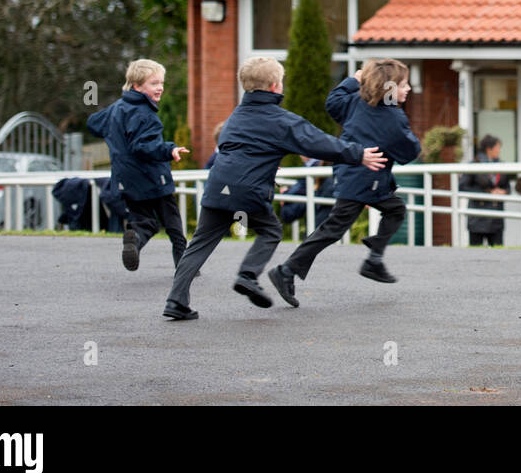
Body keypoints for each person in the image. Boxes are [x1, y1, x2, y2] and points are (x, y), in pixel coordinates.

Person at [163, 57, 384, 320]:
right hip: (249, 191)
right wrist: (359, 154)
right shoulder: (280, 120)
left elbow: (244, 149)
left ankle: (176, 301)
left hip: (217, 186)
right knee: (270, 230)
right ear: (274, 86)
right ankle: (247, 274)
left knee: (199, 243)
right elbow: (318, 143)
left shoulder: (237, 115)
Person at [267, 59, 422, 306]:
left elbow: (333, 101)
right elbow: (410, 151)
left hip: (356, 175)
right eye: (404, 85)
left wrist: (353, 79)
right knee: (334, 228)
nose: (408, 89)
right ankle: (287, 270)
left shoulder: (354, 103)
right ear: (389, 88)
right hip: (363, 180)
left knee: (394, 210)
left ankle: (374, 258)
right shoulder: (393, 118)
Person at [86, 59, 190, 271]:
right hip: (153, 177)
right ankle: (186, 266)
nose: (160, 87)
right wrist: (169, 149)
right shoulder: (145, 114)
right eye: (154, 83)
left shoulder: (118, 109)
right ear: (137, 86)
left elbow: (94, 123)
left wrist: (114, 126)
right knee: (173, 225)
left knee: (145, 222)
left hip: (126, 178)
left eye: (161, 82)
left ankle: (135, 238)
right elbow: (142, 146)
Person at [461, 135, 509, 246]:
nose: (499, 150)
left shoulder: (502, 165)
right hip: (478, 217)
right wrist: (487, 193)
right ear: (489, 148)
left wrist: (503, 192)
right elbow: (463, 187)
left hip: (496, 217)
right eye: (497, 147)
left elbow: (507, 187)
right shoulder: (474, 165)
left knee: (498, 252)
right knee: (475, 252)